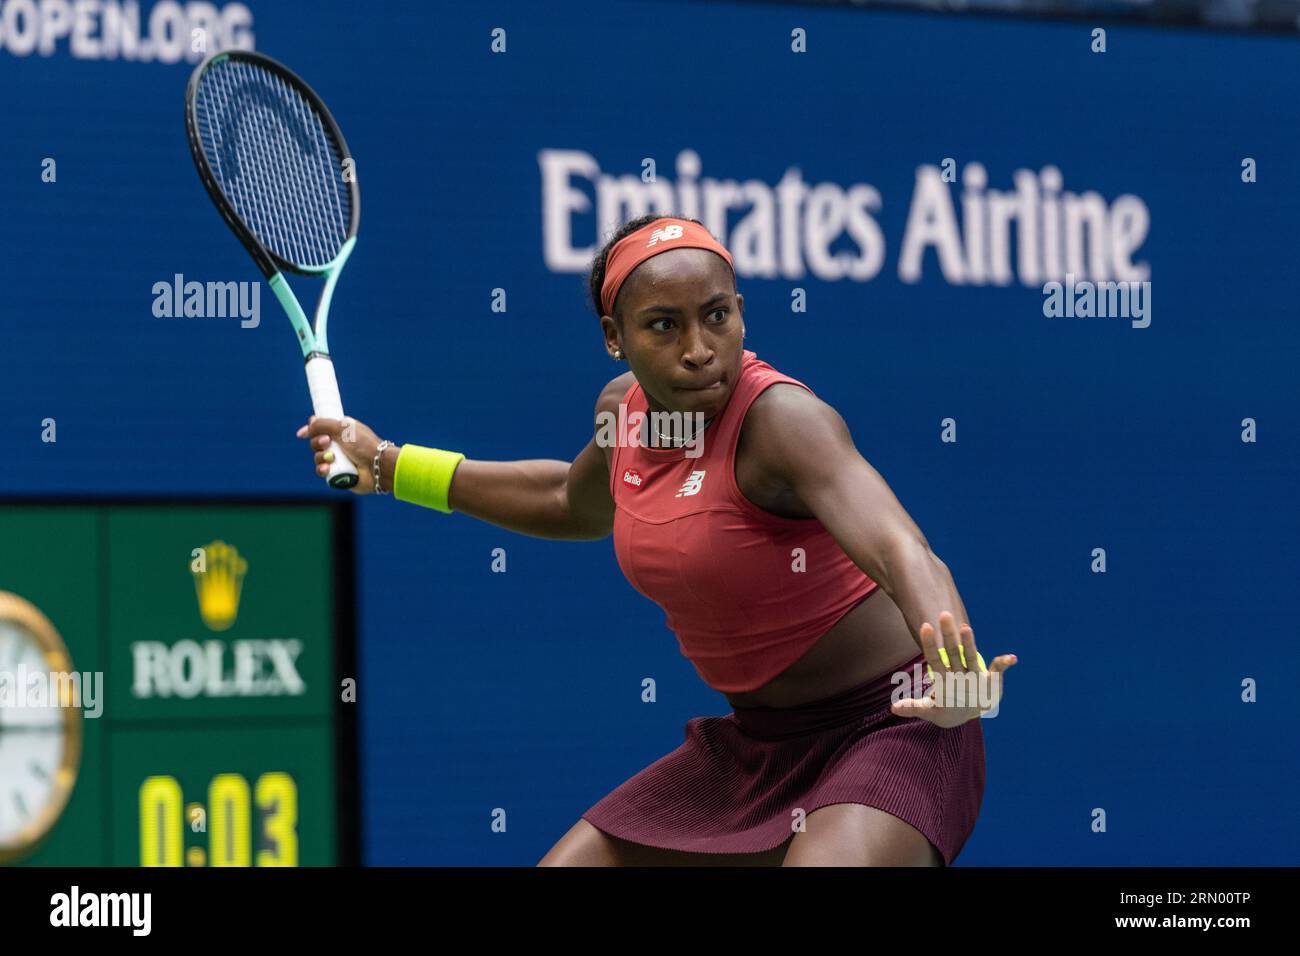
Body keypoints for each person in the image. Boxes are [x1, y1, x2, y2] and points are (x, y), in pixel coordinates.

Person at [297, 215, 1016, 866]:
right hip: (759, 744)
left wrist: (956, 673)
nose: (700, 350)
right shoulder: (627, 419)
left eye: (717, 316)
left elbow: (902, 549)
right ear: (616, 338)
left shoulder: (783, 424)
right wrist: (391, 466)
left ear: (741, 314)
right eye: (664, 326)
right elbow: (566, 501)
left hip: (895, 725)